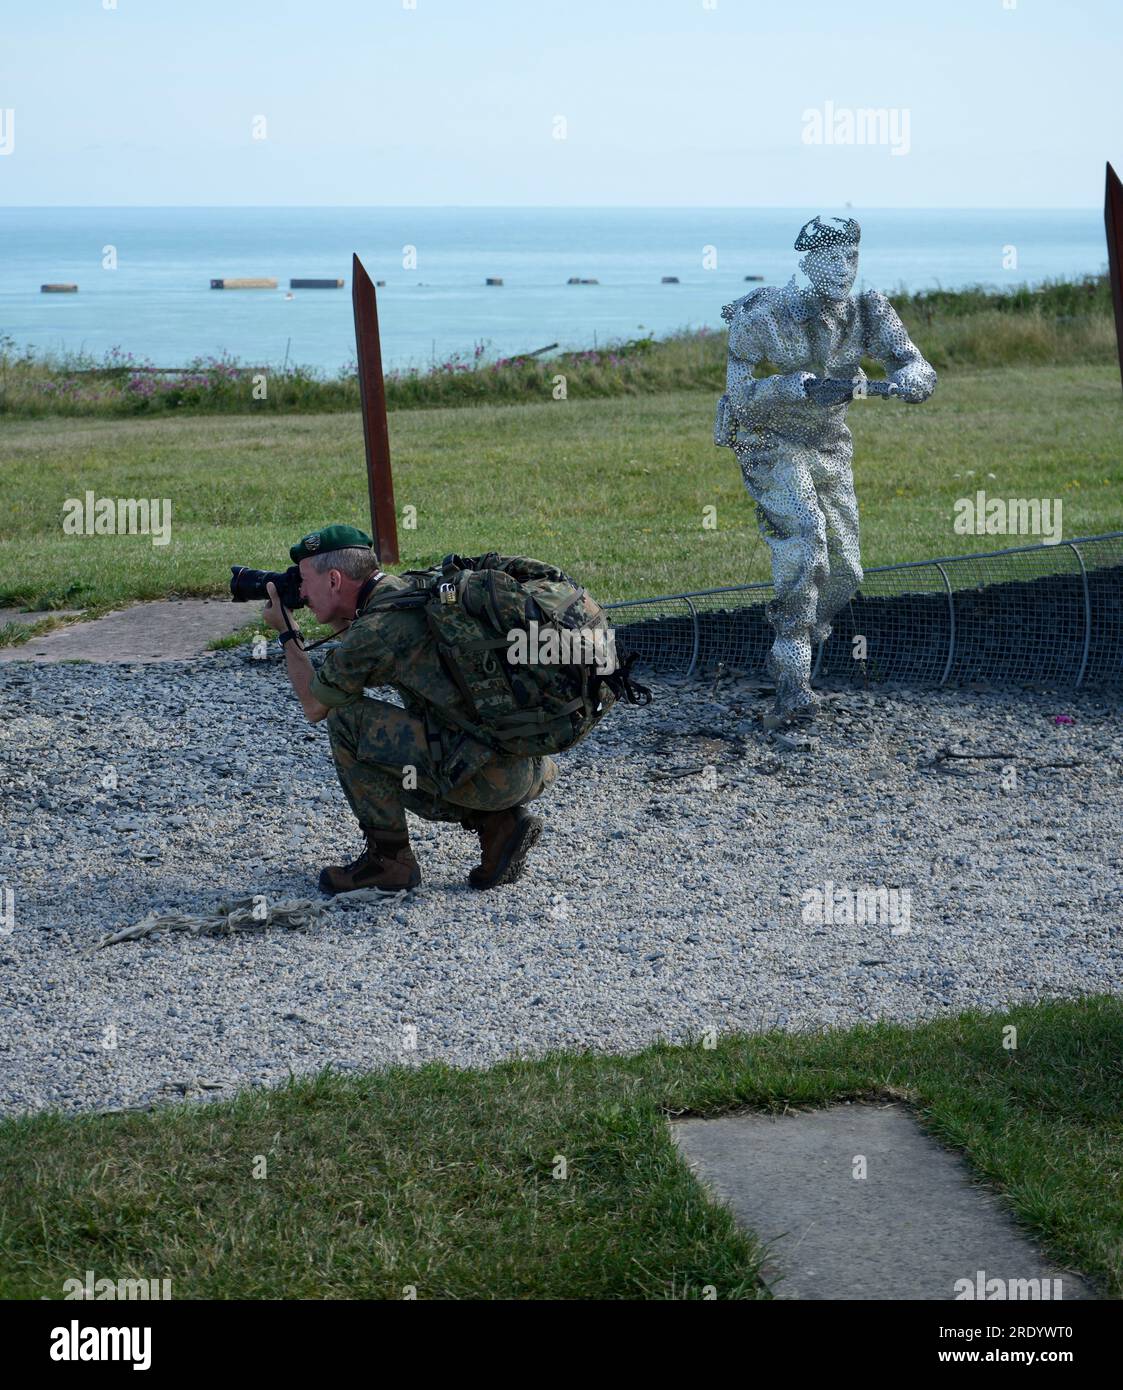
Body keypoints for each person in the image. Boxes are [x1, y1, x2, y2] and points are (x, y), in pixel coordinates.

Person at [714, 215, 937, 726]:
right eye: (832, 256)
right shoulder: (761, 313)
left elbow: (913, 363)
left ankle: (800, 633)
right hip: (768, 440)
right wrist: (794, 386)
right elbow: (739, 397)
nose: (844, 268)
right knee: (809, 538)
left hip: (829, 441)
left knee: (849, 571)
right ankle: (793, 679)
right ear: (807, 259)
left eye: (852, 257)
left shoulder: (869, 310)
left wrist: (912, 381)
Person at [261, 524, 556, 895]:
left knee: (346, 719)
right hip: (530, 762)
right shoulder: (409, 591)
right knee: (431, 730)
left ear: (334, 579)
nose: (301, 593)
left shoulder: (378, 630)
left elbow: (315, 703)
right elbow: (366, 646)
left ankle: (389, 862)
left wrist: (288, 633)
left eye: (303, 581)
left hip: (491, 778)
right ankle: (499, 827)